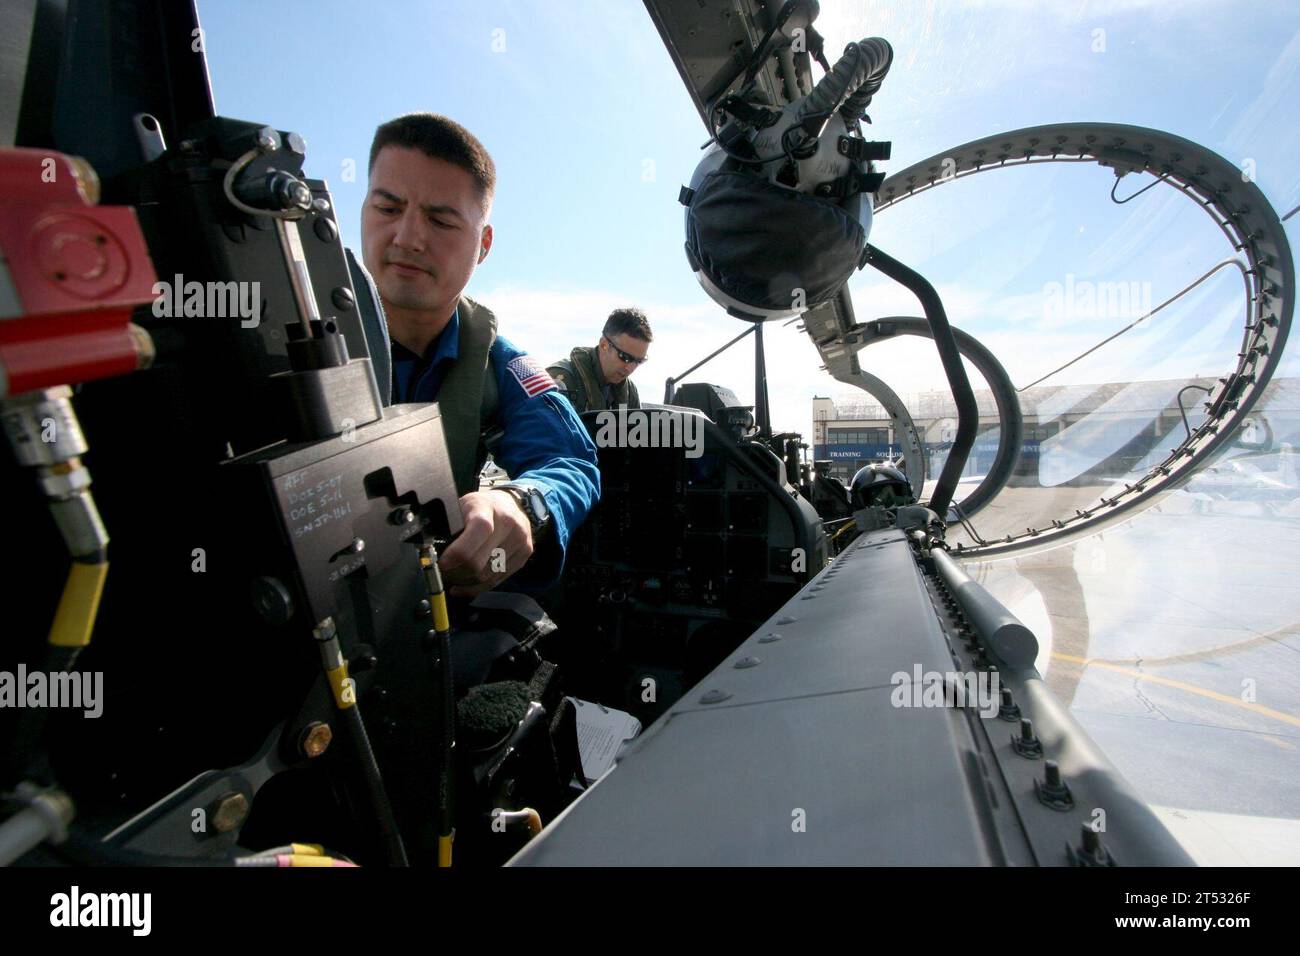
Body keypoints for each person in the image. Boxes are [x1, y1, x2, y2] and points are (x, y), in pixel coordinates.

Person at [348, 112, 599, 595]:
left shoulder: (499, 362)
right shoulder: (289, 334)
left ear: (483, 245)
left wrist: (523, 504)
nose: (407, 237)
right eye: (387, 208)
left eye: (441, 220)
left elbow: (570, 461)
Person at [547, 308, 652, 413]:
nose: (630, 368)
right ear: (604, 345)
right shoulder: (561, 381)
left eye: (638, 361)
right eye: (625, 357)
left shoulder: (630, 393)